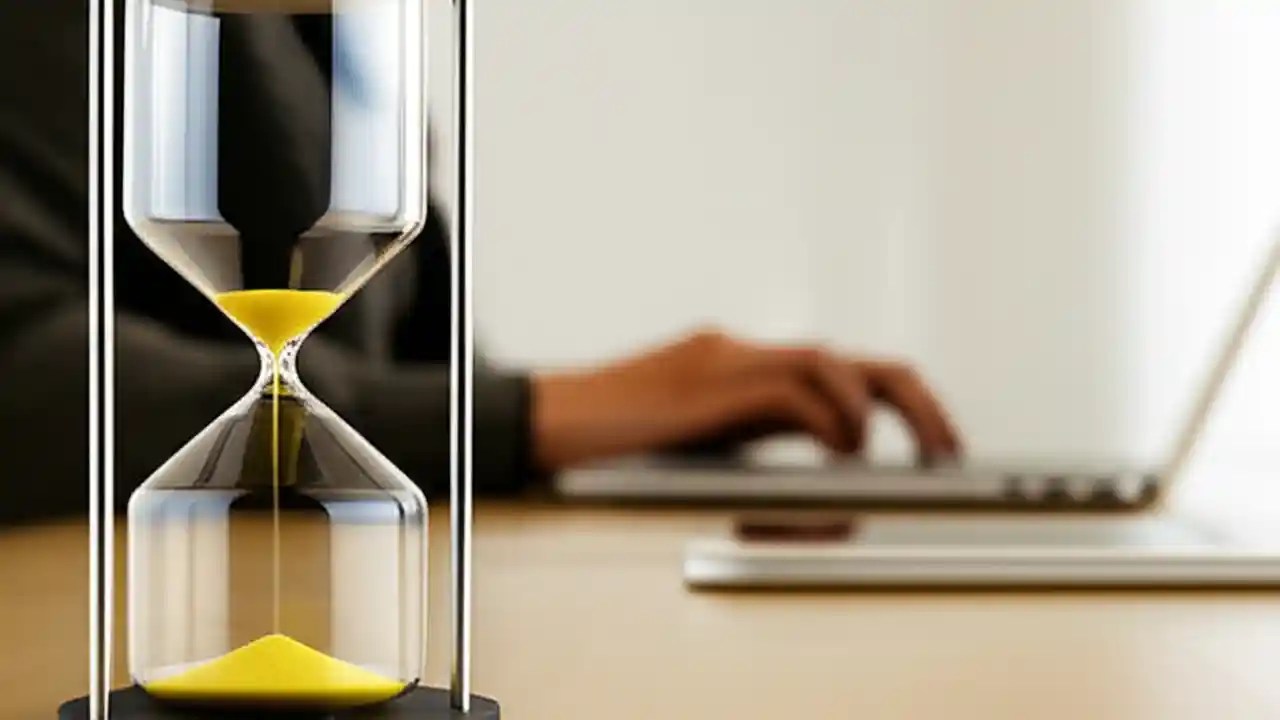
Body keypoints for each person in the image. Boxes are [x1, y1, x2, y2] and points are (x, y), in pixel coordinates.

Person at [0, 1, 960, 525]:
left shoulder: (343, 42)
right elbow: (27, 380)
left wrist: (644, 416)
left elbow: (414, 371)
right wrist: (537, 413)